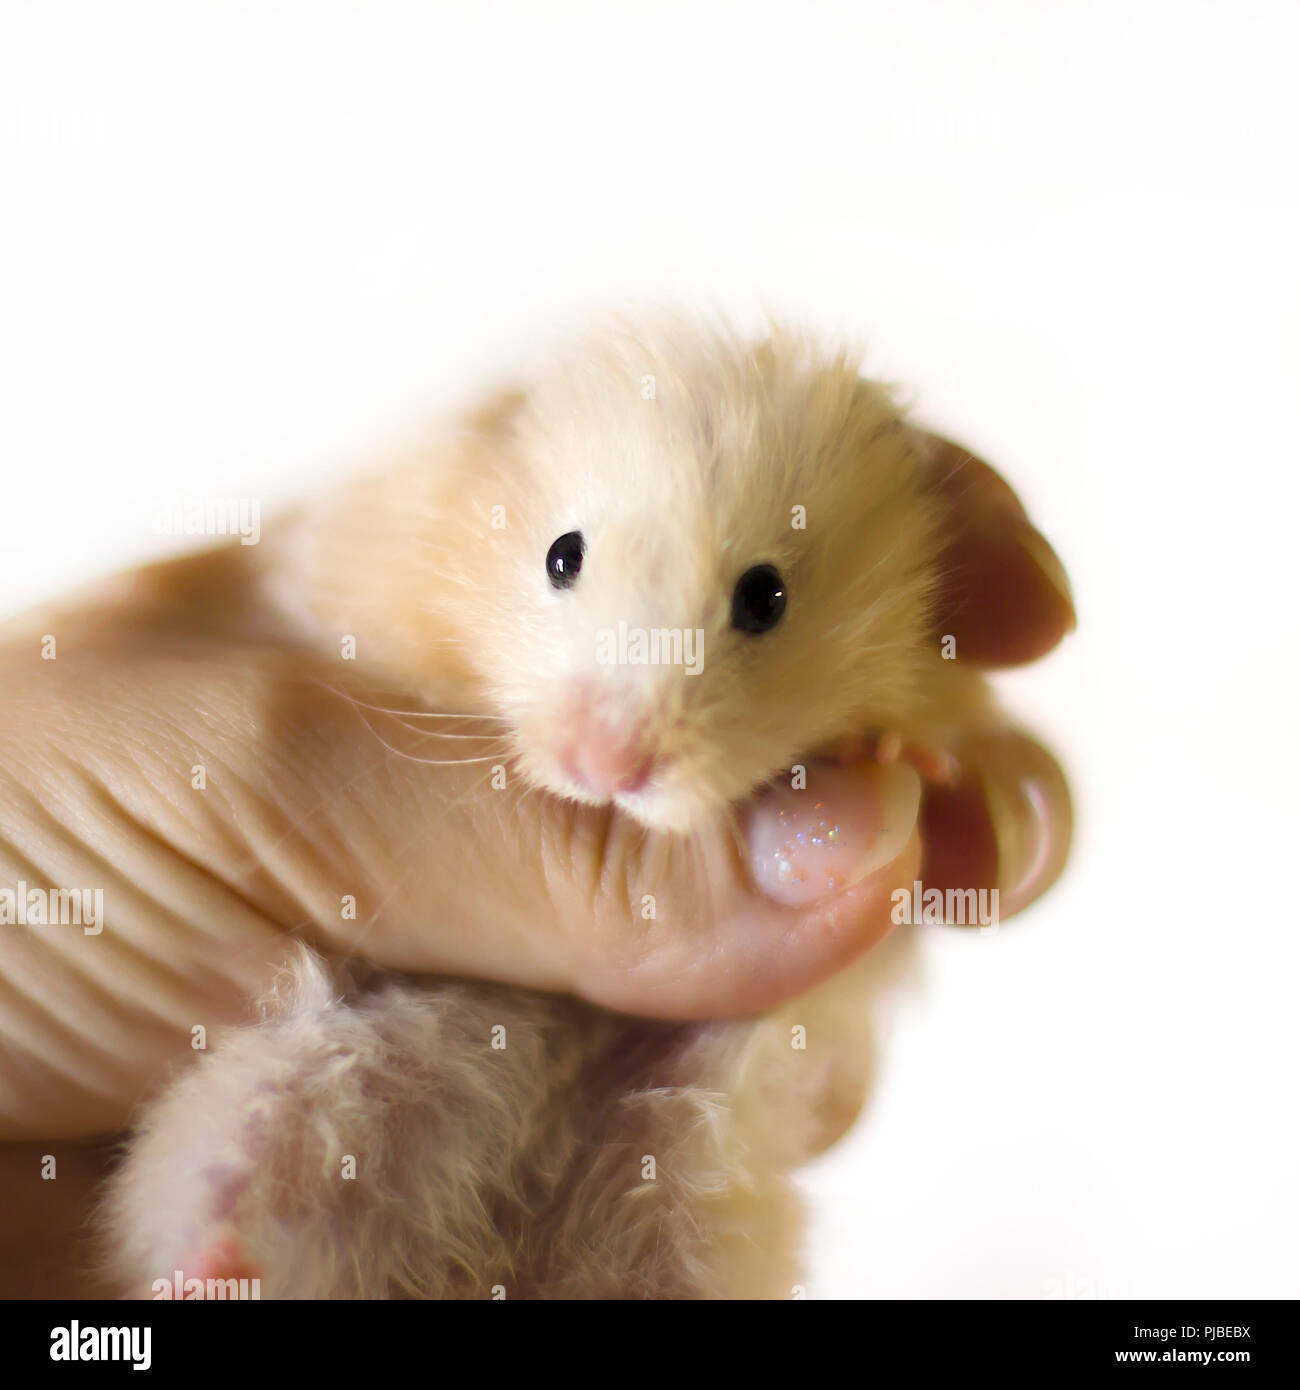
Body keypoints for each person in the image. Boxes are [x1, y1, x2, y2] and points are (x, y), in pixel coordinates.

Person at [0, 436, 1072, 1295]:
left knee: (697, 1144)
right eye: (568, 562)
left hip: (636, 1128)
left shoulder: (886, 674)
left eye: (756, 606)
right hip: (394, 1038)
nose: (609, 748)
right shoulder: (428, 532)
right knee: (321, 1085)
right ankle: (215, 1257)